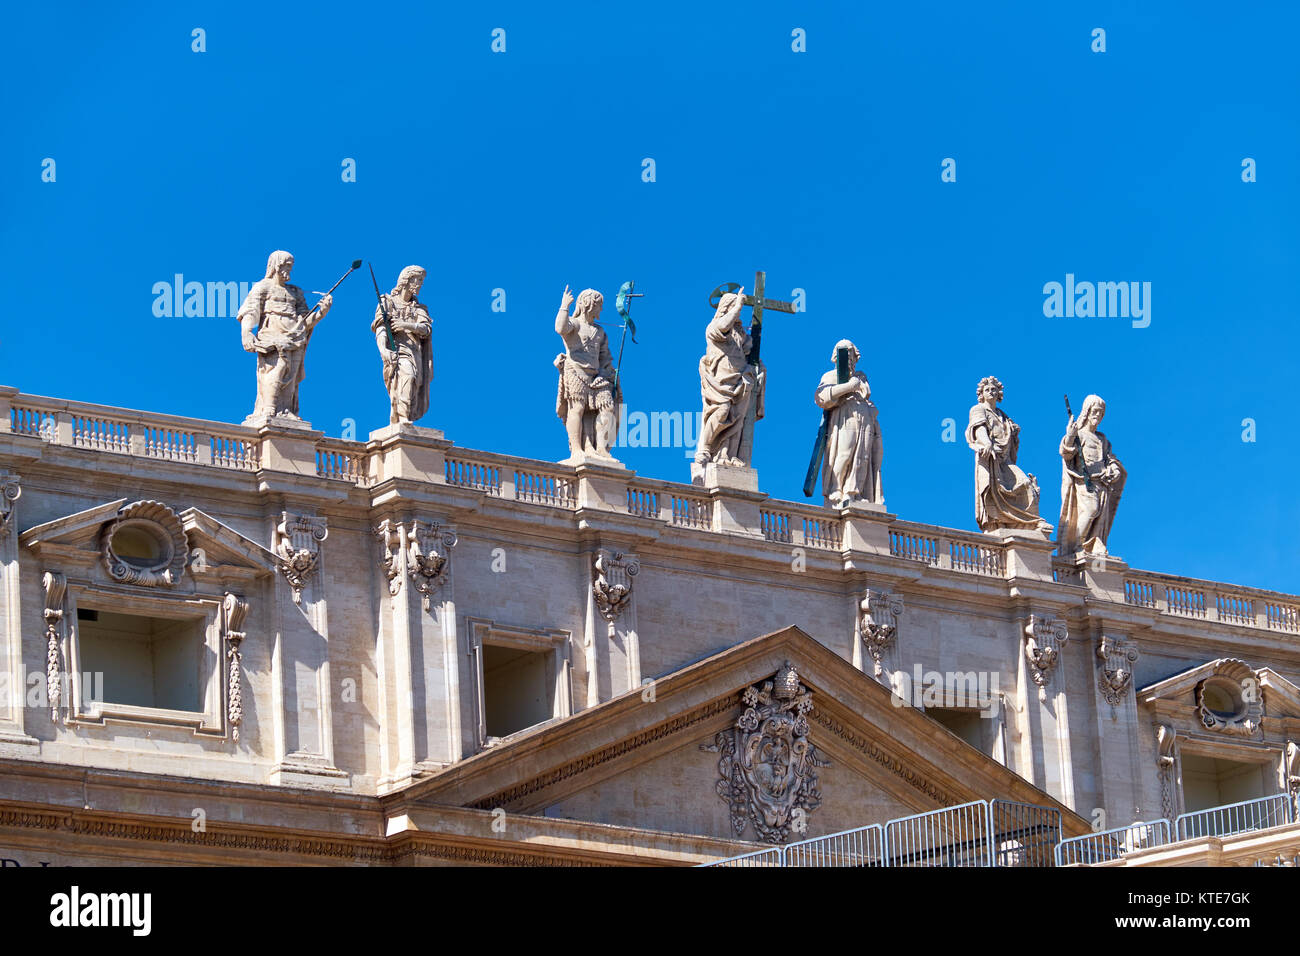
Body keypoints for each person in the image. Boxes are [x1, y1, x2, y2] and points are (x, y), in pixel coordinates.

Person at [237, 250, 330, 424]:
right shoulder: (262, 287)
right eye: (287, 265)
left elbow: (304, 320)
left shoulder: (296, 292)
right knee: (276, 371)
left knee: (292, 376)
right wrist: (247, 332)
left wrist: (321, 312)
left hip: (295, 339)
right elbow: (250, 312)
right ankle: (269, 408)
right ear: (277, 265)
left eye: (291, 266)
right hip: (271, 338)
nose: (290, 269)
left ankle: (286, 411)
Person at [965, 376, 1051, 533]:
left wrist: (1014, 432)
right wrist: (987, 443)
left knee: (1026, 485)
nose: (991, 392)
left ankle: (1030, 524)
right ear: (981, 394)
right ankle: (999, 524)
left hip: (1006, 461)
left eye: (994, 389)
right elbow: (979, 428)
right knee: (993, 492)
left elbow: (1009, 440)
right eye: (987, 390)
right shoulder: (978, 409)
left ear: (999, 394)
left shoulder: (1003, 415)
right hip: (990, 459)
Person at [695, 288, 764, 471]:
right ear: (727, 308)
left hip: (740, 379)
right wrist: (737, 306)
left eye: (740, 311)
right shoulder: (714, 328)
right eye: (735, 309)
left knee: (737, 418)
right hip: (721, 382)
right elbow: (723, 326)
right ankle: (706, 448)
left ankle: (727, 454)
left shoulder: (738, 335)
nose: (738, 314)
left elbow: (750, 347)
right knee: (722, 411)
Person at [814, 340, 883, 505]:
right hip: (844, 418)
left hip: (864, 418)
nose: (848, 358)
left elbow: (868, 397)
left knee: (862, 456)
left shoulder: (861, 377)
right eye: (844, 354)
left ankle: (854, 492)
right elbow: (821, 397)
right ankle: (836, 488)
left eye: (851, 354)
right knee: (844, 453)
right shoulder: (830, 376)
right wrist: (848, 387)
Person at [554, 286, 618, 458]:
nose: (601, 309)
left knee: (607, 408)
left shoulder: (600, 331)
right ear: (588, 304)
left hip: (597, 376)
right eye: (599, 305)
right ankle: (576, 449)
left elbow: (606, 358)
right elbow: (560, 328)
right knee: (577, 408)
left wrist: (606, 374)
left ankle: (601, 448)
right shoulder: (574, 324)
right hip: (575, 372)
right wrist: (565, 305)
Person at [1057, 394, 1125, 555]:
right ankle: (1076, 545)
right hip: (1084, 482)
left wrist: (1114, 470)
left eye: (1101, 413)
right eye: (1095, 411)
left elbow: (1110, 459)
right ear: (1087, 412)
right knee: (1091, 509)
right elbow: (1066, 453)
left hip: (1102, 483)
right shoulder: (1079, 435)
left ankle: (1090, 545)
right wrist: (1071, 435)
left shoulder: (1102, 439)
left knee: (1099, 517)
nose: (1098, 416)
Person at [373, 265, 433, 425]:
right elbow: (381, 329)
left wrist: (405, 325)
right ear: (407, 279)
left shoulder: (419, 308)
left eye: (422, 281)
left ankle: (406, 415)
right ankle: (403, 417)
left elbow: (425, 329)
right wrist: (384, 350)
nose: (420, 284)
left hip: (415, 353)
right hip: (397, 352)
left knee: (414, 384)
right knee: (407, 376)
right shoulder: (387, 303)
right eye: (418, 280)